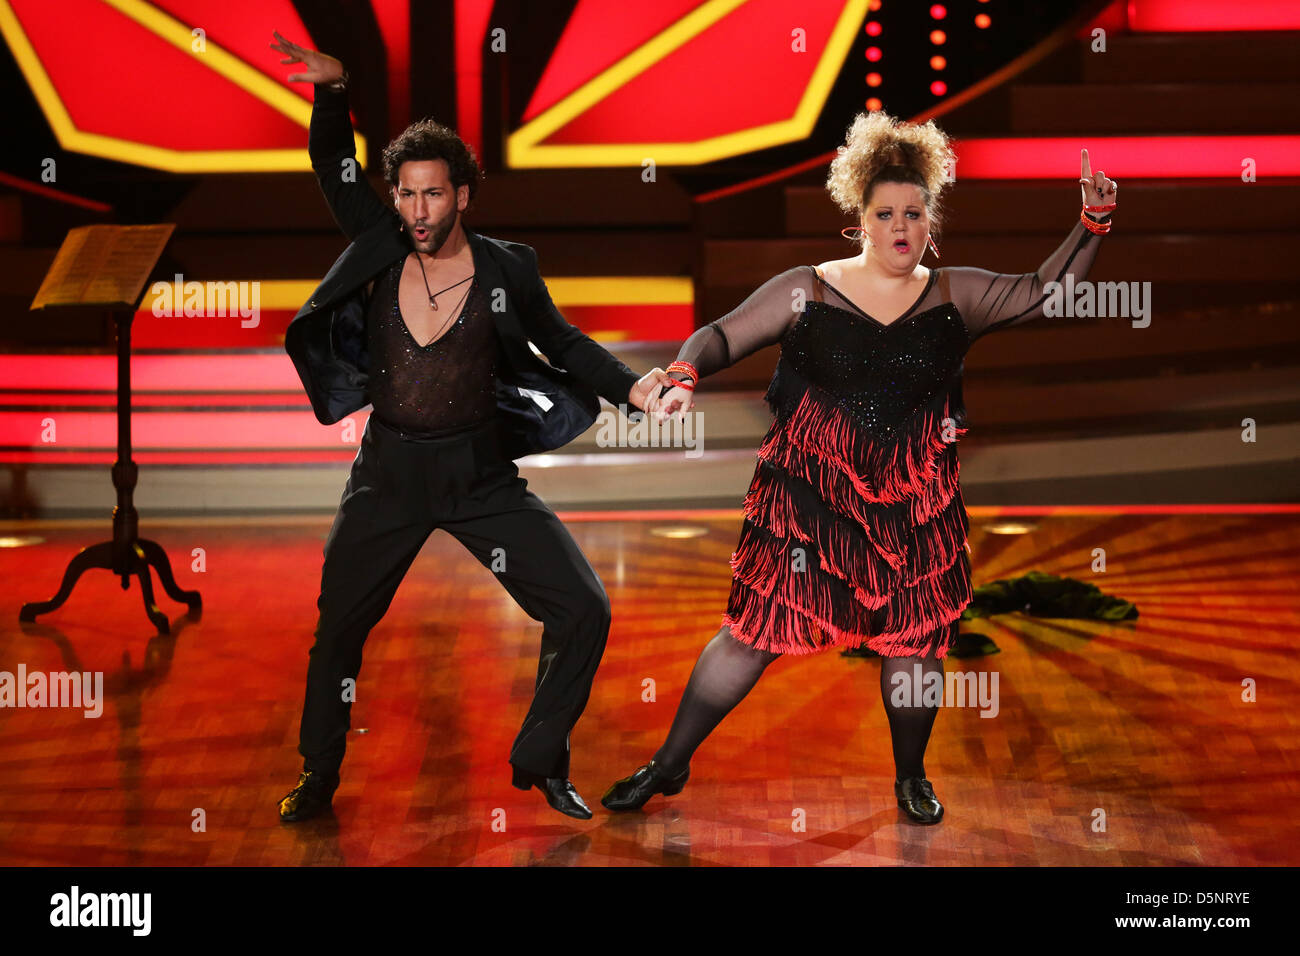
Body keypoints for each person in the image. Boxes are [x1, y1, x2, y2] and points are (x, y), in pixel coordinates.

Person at [602, 111, 1117, 823]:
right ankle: (668, 764)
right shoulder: (806, 289)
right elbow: (723, 334)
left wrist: (1091, 223)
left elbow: (1041, 291)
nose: (901, 226)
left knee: (915, 644)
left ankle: (911, 776)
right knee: (751, 635)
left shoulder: (953, 293)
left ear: (929, 219)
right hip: (808, 496)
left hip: (912, 505)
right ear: (860, 220)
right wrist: (686, 371)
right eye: (886, 213)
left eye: (914, 212)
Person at [269, 32, 673, 822]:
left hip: (478, 477)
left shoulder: (506, 269)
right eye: (406, 195)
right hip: (387, 476)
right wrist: (333, 92)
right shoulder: (378, 247)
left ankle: (541, 757)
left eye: (434, 194)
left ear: (463, 195)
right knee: (338, 630)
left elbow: (562, 342)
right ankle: (319, 774)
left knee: (583, 608)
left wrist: (636, 389)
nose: (419, 211)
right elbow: (334, 169)